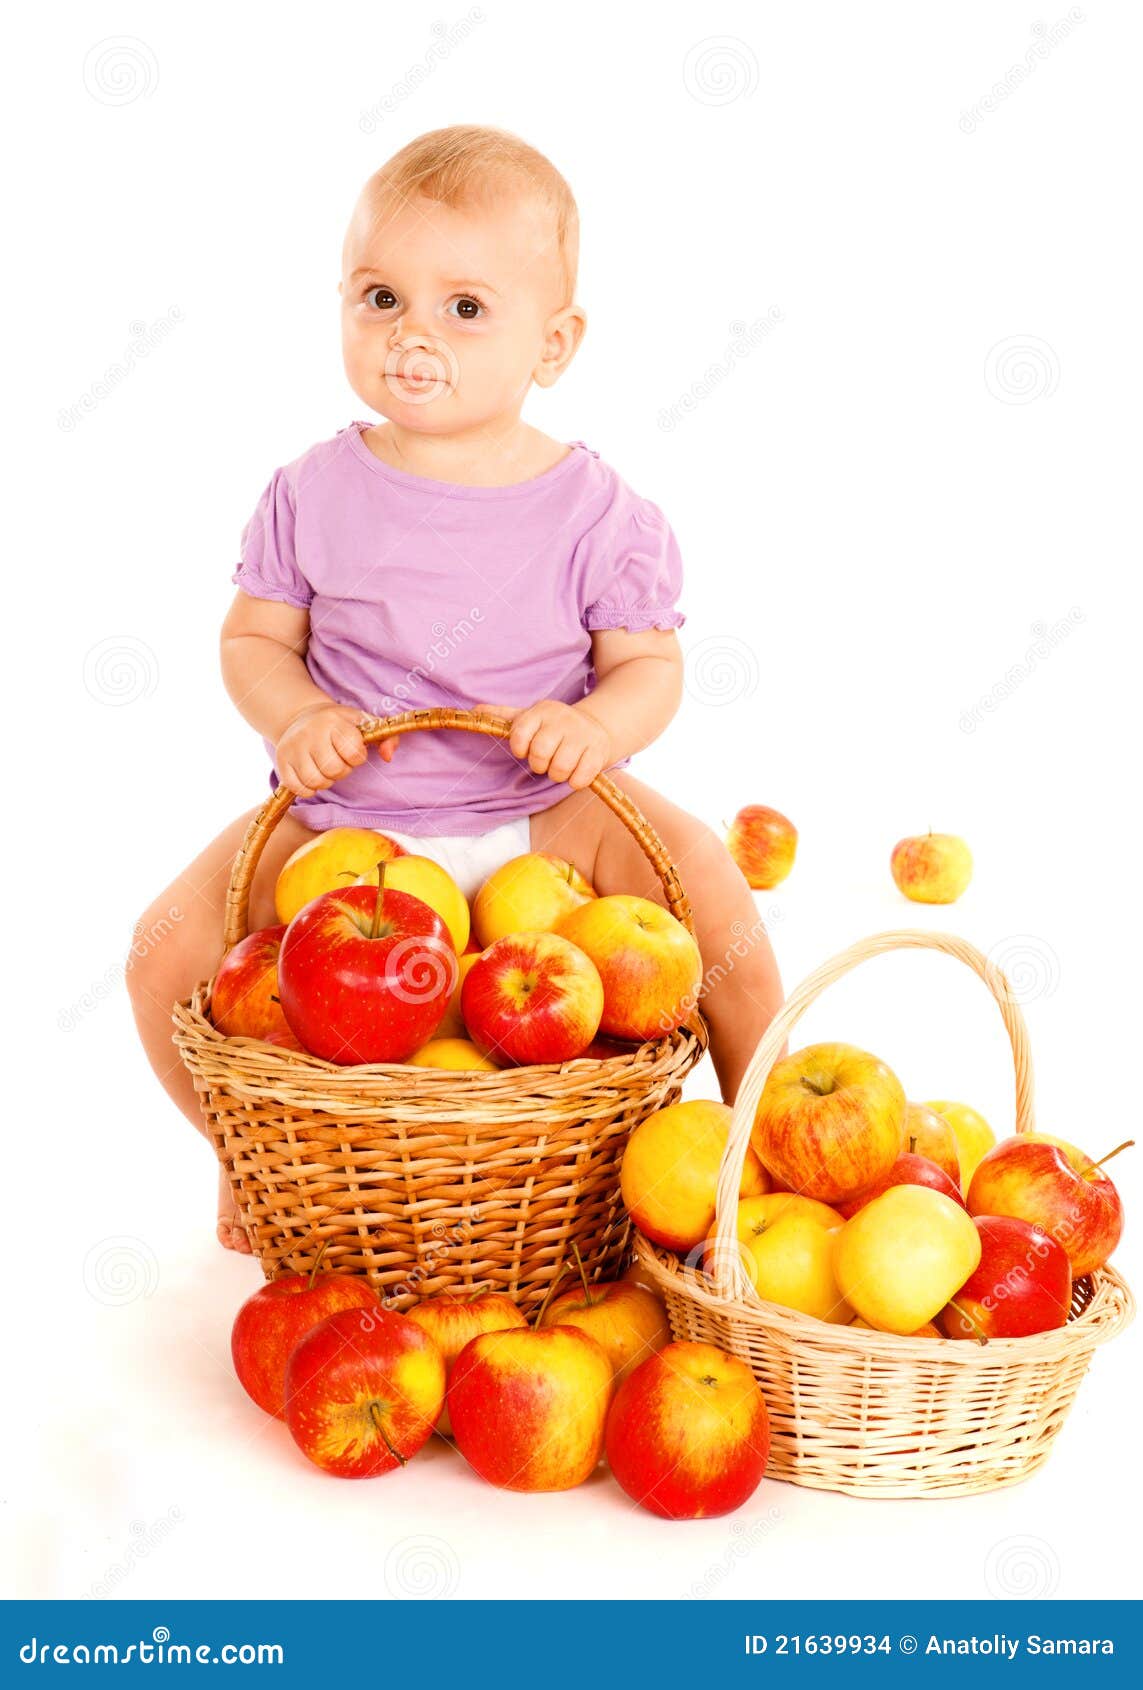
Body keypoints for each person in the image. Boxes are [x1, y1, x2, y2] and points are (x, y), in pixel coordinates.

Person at [125, 124, 784, 1252]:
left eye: (464, 308)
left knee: (712, 889)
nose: (413, 336)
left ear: (556, 342)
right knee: (160, 955)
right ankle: (251, 1161)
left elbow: (649, 666)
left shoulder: (594, 511)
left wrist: (593, 726)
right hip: (349, 822)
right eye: (380, 298)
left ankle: (756, 1164)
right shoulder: (309, 491)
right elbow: (252, 639)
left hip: (544, 811)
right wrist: (297, 716)